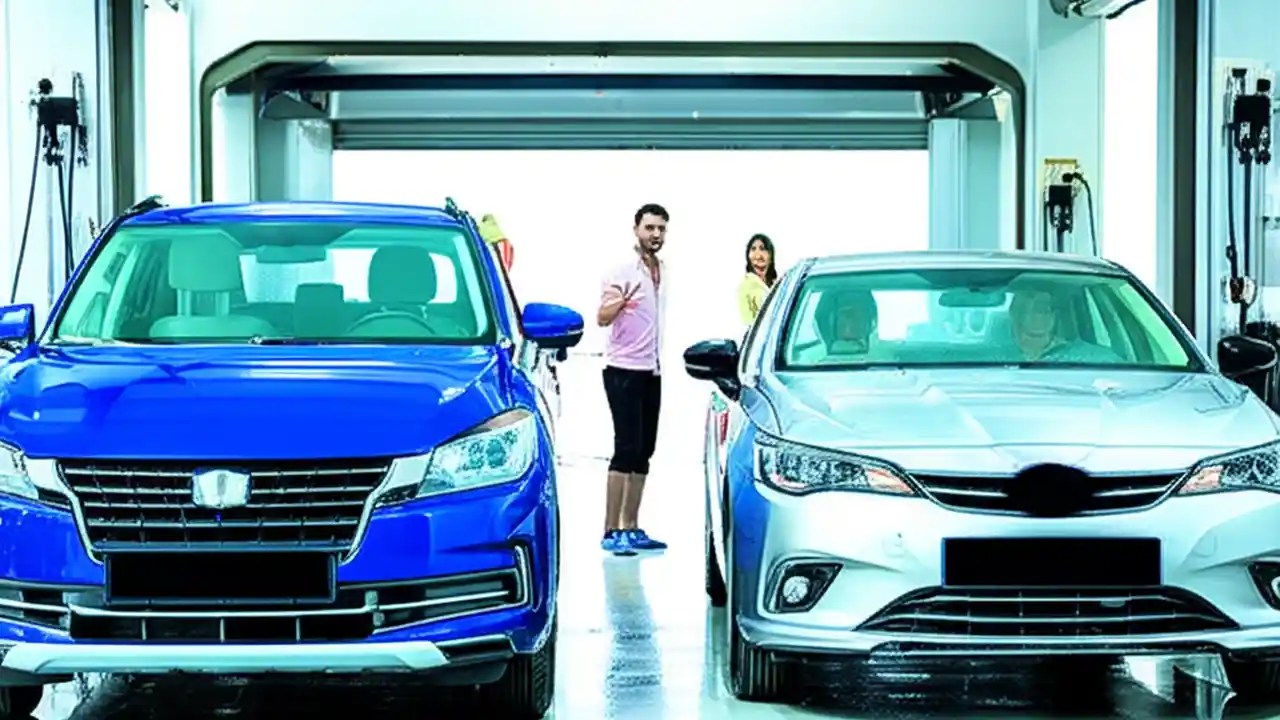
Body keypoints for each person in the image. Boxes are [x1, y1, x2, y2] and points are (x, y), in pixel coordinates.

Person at [596, 203, 670, 556]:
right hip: (621, 370)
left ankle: (632, 526)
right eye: (650, 228)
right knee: (625, 448)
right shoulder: (621, 270)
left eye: (661, 229)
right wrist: (619, 303)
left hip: (650, 370)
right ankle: (611, 529)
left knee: (644, 450)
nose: (655, 234)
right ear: (636, 229)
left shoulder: (662, 270)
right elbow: (601, 317)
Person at [1006, 285, 1121, 363]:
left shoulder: (1095, 358)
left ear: (1053, 316)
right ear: (1012, 314)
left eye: (1040, 309)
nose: (1028, 317)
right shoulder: (993, 357)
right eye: (1022, 310)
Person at [792, 287, 896, 364]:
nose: (855, 321)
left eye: (861, 314)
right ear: (828, 320)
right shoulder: (807, 362)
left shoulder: (886, 362)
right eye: (847, 315)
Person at [738, 233, 778, 328]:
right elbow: (747, 325)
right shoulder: (747, 287)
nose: (758, 255)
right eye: (753, 249)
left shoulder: (778, 286)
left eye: (763, 249)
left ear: (771, 256)